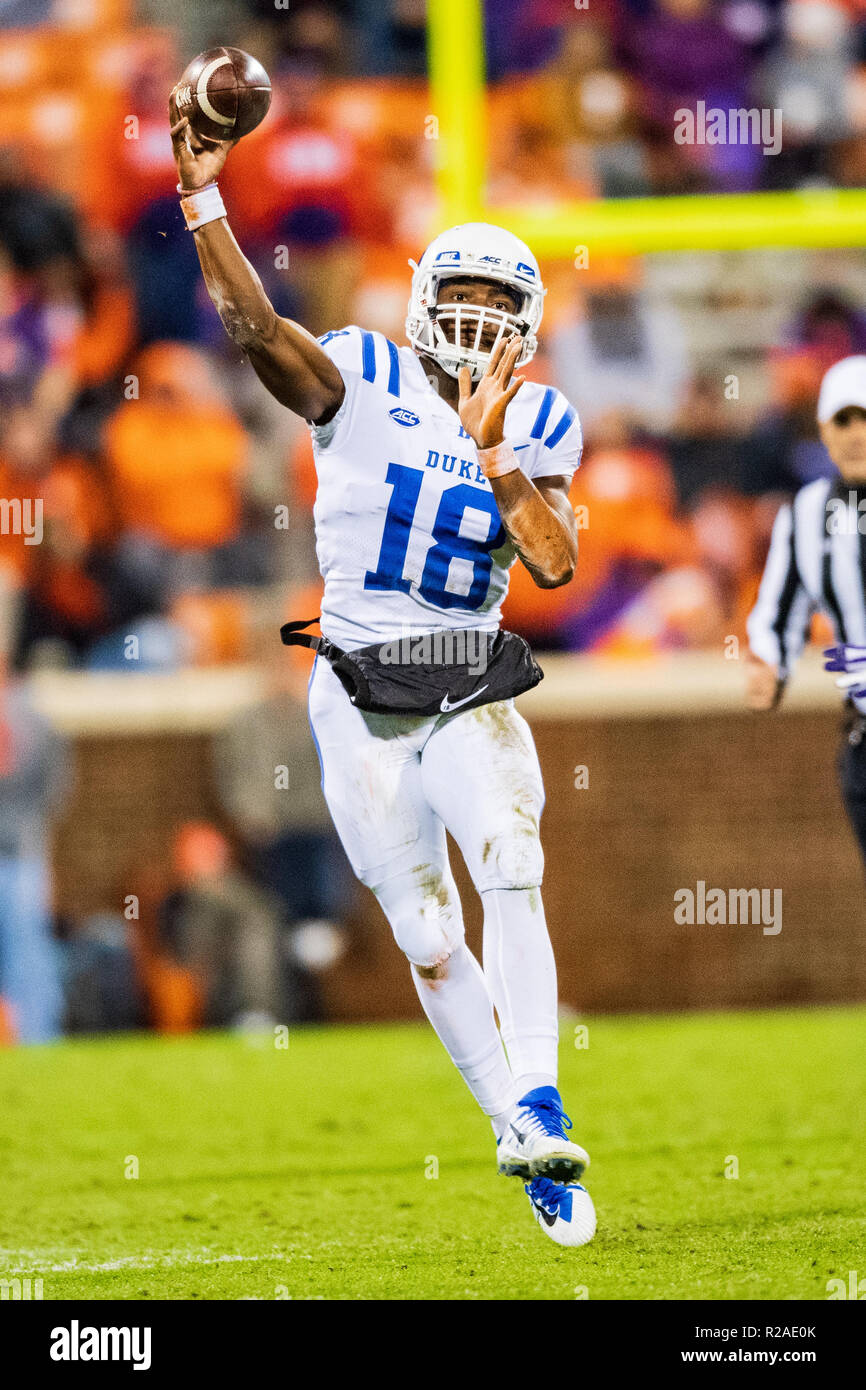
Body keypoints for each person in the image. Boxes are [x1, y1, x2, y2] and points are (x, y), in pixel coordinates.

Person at [168, 90, 594, 1247]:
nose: (471, 319)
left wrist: (498, 454)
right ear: (418, 301)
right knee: (419, 927)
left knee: (512, 855)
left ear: (527, 320)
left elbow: (553, 567)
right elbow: (257, 330)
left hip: (468, 673)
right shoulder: (360, 371)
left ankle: (544, 1099)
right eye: (455, 295)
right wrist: (201, 193)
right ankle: (510, 1121)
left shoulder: (542, 419)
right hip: (357, 684)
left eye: (495, 303)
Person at [746, 355, 866, 867]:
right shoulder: (808, 512)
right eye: (844, 419)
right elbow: (780, 608)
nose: (856, 434)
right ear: (822, 429)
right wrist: (770, 663)